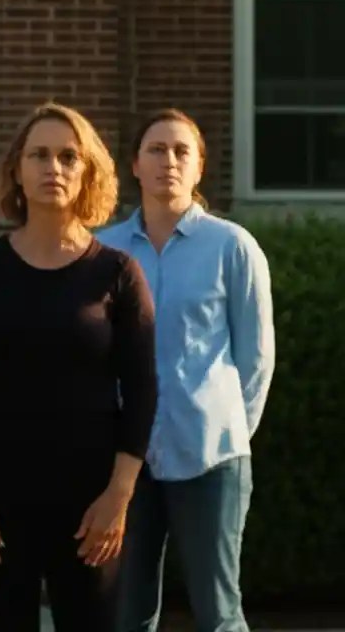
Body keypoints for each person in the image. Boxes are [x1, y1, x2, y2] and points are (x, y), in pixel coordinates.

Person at [0, 101, 158, 631]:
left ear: (87, 173)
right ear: (17, 168)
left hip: (90, 508)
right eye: (39, 155)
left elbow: (143, 391)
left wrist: (118, 497)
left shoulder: (118, 274)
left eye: (67, 157)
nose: (53, 168)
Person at [98, 109, 274, 632]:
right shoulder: (104, 250)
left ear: (198, 168)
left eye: (181, 152)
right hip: (125, 462)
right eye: (156, 150)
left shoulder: (231, 247)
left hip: (211, 458)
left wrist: (231, 432)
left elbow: (256, 357)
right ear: (135, 164)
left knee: (218, 612)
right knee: (127, 613)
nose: (168, 162)